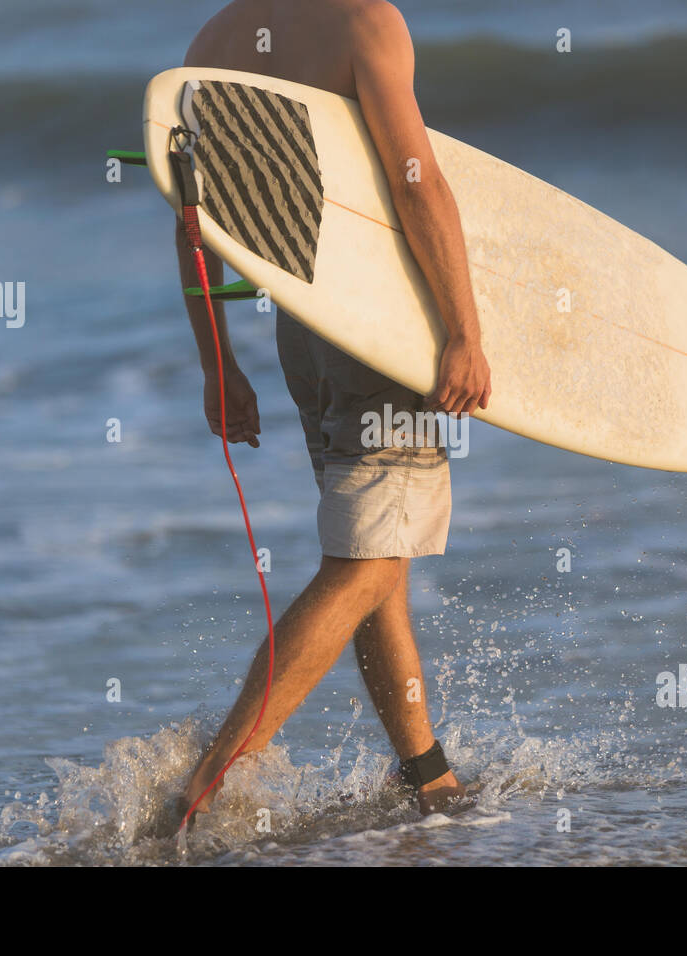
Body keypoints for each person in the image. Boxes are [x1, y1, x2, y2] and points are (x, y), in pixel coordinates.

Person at [175, 0, 490, 818]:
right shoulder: (363, 20)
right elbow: (415, 180)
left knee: (376, 555)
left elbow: (193, 219)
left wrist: (220, 366)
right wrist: (463, 331)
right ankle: (207, 788)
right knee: (369, 563)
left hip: (302, 335)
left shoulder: (214, 41)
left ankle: (426, 774)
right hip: (378, 323)